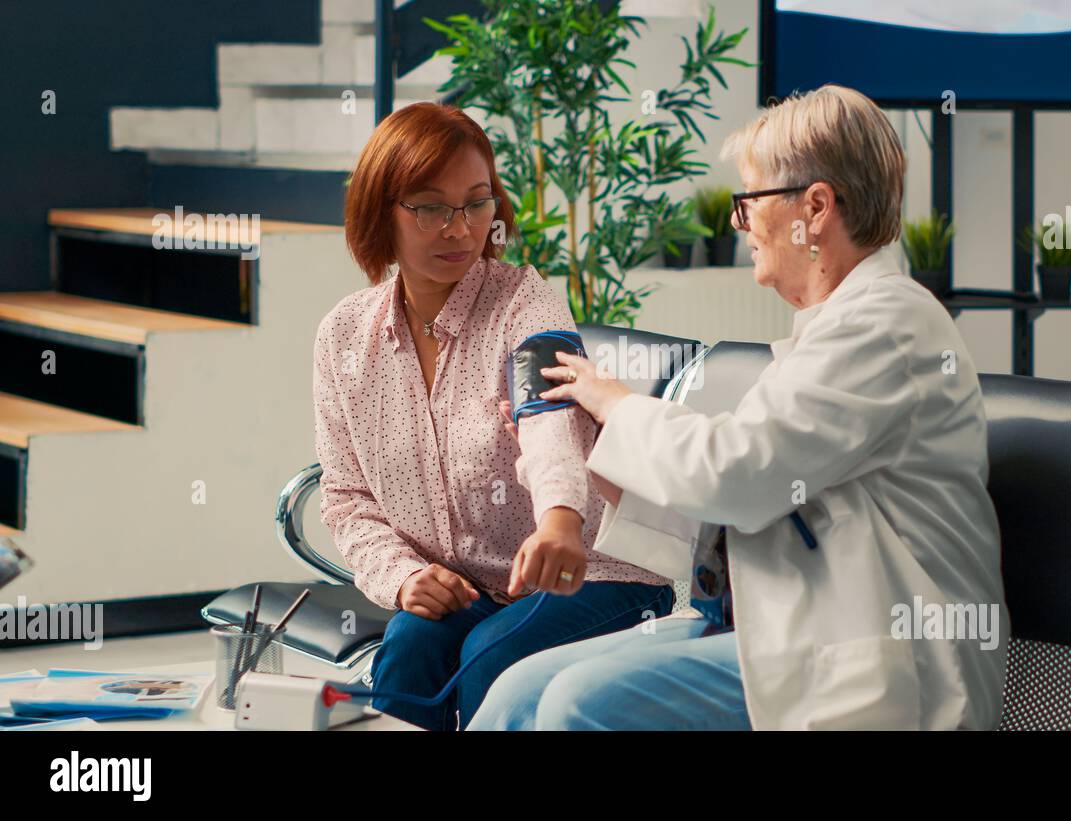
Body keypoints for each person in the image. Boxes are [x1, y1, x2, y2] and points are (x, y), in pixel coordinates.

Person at [468, 84, 1008, 731]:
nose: (737, 223)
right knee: (517, 691)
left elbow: (733, 475)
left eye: (747, 202)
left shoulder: (887, 325)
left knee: (575, 705)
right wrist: (589, 451)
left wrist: (615, 402)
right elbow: (738, 515)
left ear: (815, 206)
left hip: (866, 657)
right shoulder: (833, 328)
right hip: (770, 625)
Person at [312, 103, 674, 731]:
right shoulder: (345, 334)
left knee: (491, 661)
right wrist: (402, 579)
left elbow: (549, 419)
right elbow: (346, 496)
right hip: (470, 586)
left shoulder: (527, 304)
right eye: (430, 207)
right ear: (381, 214)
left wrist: (560, 521)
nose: (459, 229)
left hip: (595, 572)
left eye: (477, 203)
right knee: (409, 648)